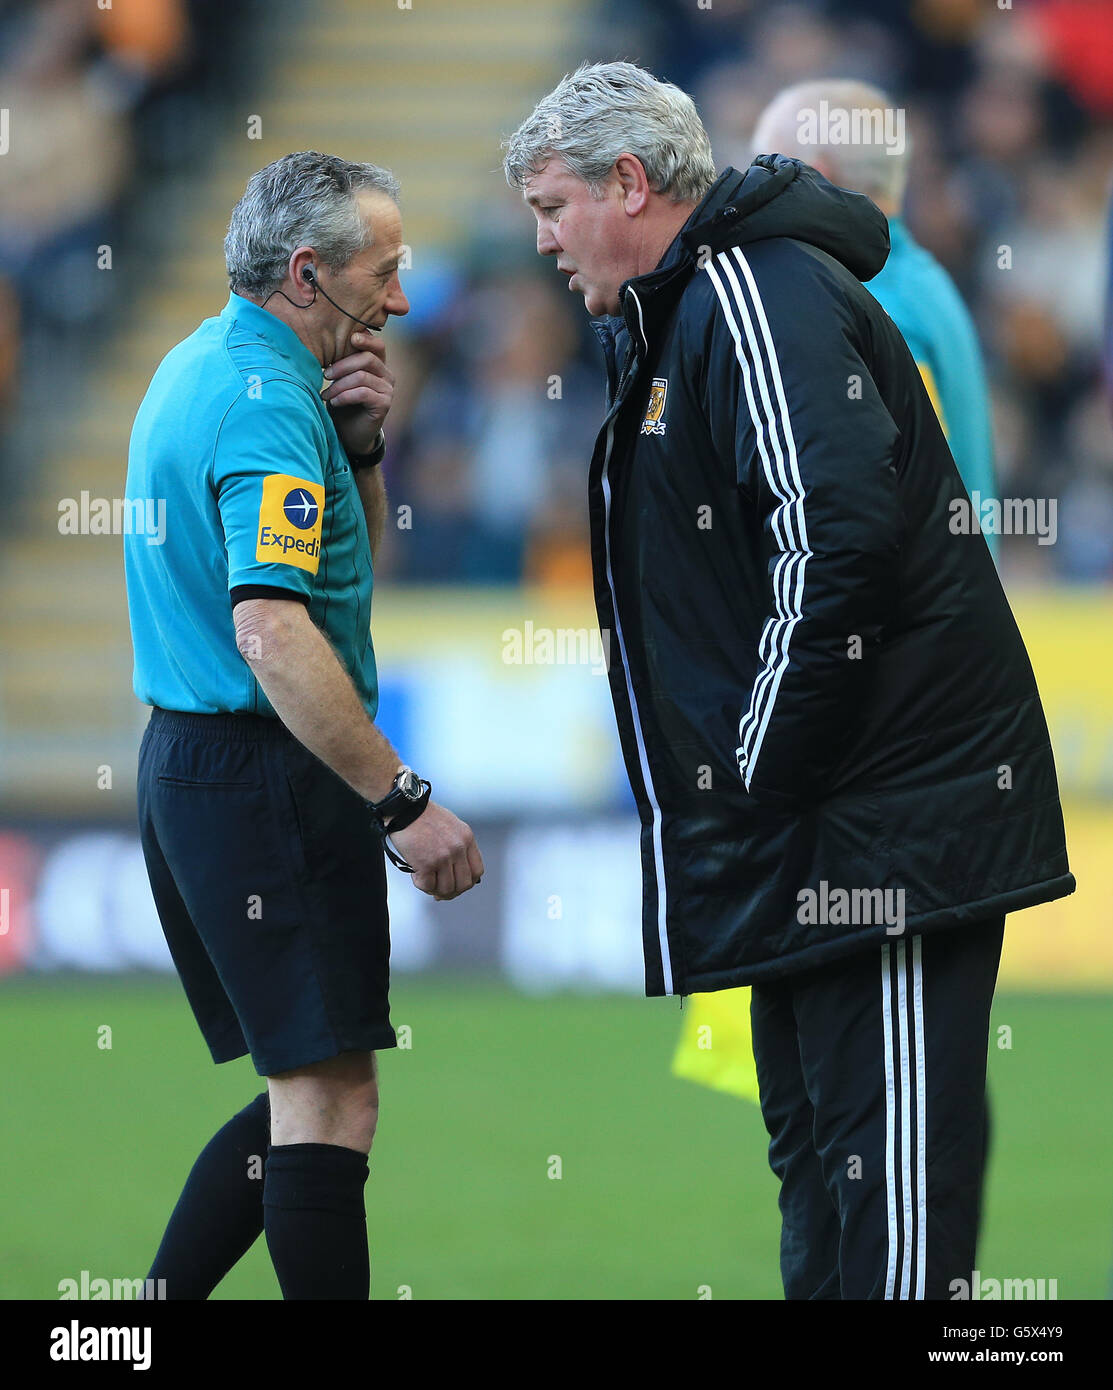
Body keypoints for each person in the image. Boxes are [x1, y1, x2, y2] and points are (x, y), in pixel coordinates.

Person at [504, 62, 1074, 1299]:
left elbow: (836, 535)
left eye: (552, 205)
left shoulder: (757, 292)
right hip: (815, 830)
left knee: (896, 1197)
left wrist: (758, 761)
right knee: (824, 1165)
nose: (540, 238)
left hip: (885, 829)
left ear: (630, 182)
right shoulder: (677, 312)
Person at [123, 151, 483, 1300]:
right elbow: (274, 635)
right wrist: (402, 797)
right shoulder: (267, 405)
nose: (402, 300)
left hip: (196, 767)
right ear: (306, 270)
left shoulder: (209, 364)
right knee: (331, 1101)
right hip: (262, 777)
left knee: (301, 1089)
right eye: (383, 273)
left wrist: (367, 450)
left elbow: (334, 578)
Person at [752, 78, 999, 555]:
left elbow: (883, 496)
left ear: (812, 177)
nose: (752, 193)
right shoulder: (923, 281)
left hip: (904, 620)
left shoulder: (876, 306)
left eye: (765, 172)